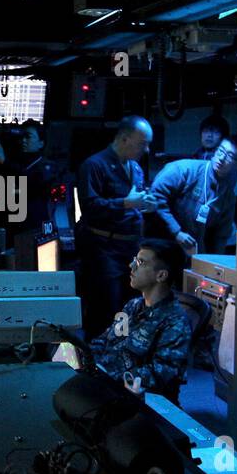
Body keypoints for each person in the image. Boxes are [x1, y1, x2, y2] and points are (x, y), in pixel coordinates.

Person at [76, 116, 156, 337]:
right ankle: (96, 361)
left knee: (129, 307)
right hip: (103, 249)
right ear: (124, 139)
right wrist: (126, 203)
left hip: (130, 250)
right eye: (143, 144)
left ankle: (121, 357)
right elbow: (90, 207)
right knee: (105, 310)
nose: (147, 150)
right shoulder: (94, 165)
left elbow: (136, 201)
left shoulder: (136, 169)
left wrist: (145, 205)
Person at [88, 239, 193, 401]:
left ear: (161, 275)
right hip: (108, 384)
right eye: (135, 259)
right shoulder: (133, 305)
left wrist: (108, 374)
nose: (132, 266)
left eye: (141, 262)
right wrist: (85, 357)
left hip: (141, 399)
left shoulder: (175, 321)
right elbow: (106, 340)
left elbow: (160, 373)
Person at [149, 136, 237, 258]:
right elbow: (155, 196)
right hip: (163, 244)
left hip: (192, 251)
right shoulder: (184, 170)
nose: (222, 158)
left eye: (230, 156)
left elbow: (221, 235)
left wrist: (216, 263)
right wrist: (176, 232)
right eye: (221, 151)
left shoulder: (227, 196)